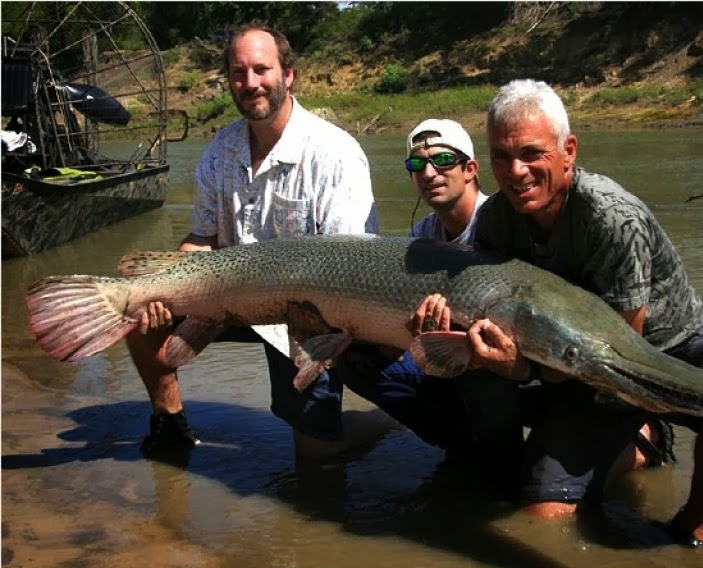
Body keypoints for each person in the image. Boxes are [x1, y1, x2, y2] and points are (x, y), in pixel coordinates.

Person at [459, 78, 703, 546]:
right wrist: (506, 363)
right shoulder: (494, 222)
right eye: (501, 156)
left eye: (531, 153)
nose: (516, 171)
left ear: (568, 150)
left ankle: (692, 525)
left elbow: (619, 358)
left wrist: (525, 369)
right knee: (543, 521)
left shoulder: (611, 217)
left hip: (652, 350)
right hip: (569, 362)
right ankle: (642, 443)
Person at [126, 22, 385, 463]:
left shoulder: (334, 155)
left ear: (288, 75)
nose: (250, 83)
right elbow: (203, 240)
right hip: (227, 299)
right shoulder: (219, 151)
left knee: (317, 456)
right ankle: (169, 421)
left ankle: (384, 422)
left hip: (305, 316)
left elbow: (350, 269)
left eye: (261, 70)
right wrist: (164, 282)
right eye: (238, 72)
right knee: (137, 305)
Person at [340, 119, 526, 498]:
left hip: (510, 367)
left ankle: (506, 460)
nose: (428, 172)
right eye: (416, 164)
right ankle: (460, 443)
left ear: (470, 169)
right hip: (450, 357)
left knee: (481, 368)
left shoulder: (503, 225)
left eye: (442, 160)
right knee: (354, 356)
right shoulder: (421, 236)